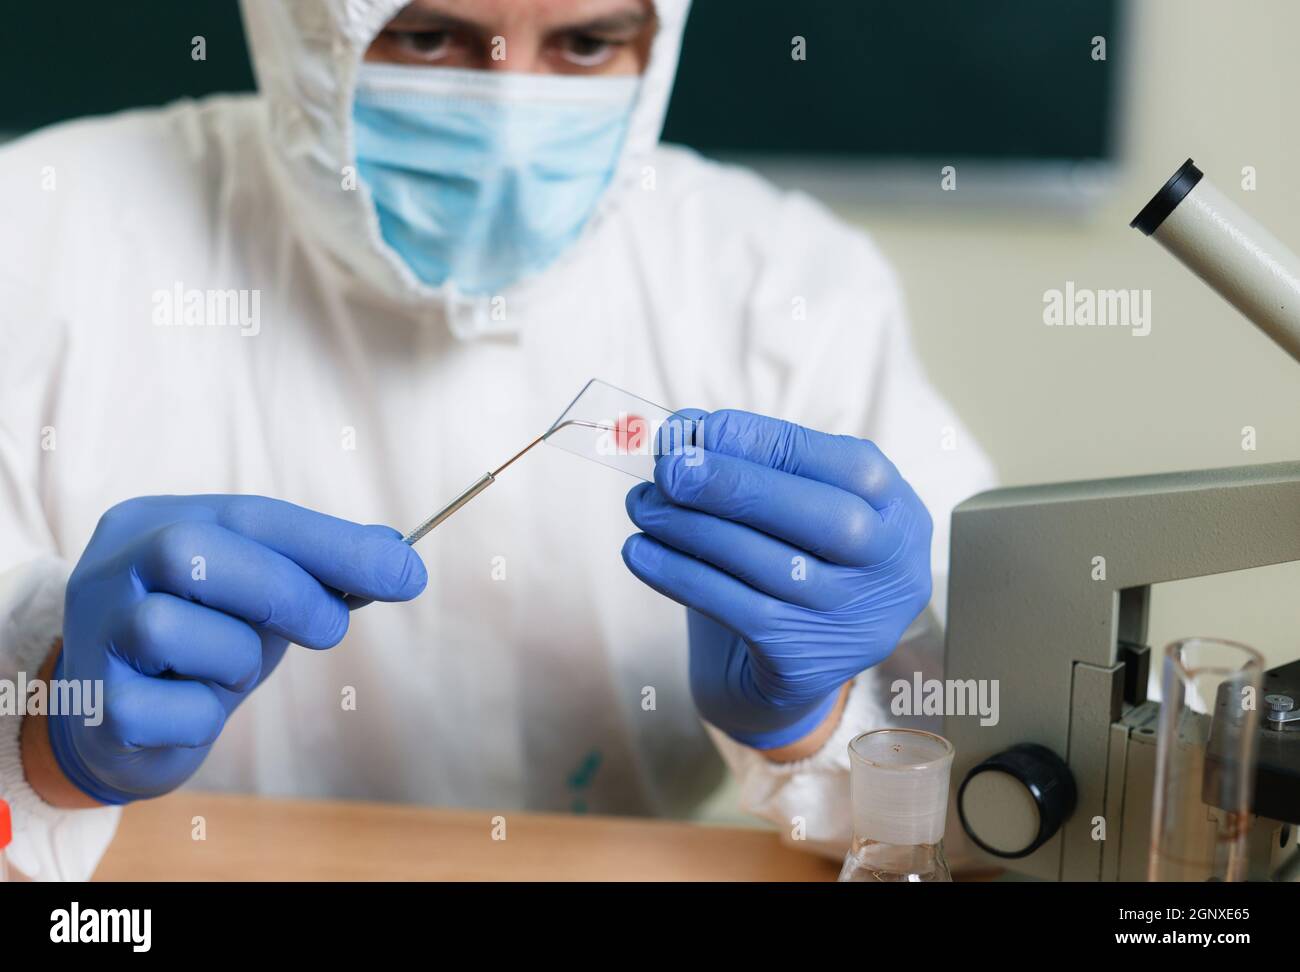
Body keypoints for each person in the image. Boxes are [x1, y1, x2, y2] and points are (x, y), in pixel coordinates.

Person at [0, 0, 994, 881]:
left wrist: (810, 722)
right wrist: (45, 736)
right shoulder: (40, 238)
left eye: (588, 43)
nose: (512, 123)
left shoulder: (783, 286)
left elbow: (1003, 812)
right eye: (426, 37)